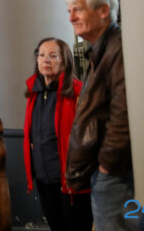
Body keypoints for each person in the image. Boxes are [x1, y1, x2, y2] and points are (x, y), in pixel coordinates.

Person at [65, 0, 132, 230]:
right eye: (69, 11)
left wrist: (107, 165)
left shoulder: (118, 47)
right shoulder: (101, 50)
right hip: (104, 170)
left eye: (78, 9)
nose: (71, 17)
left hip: (115, 172)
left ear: (103, 11)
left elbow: (123, 112)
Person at [23, 37, 92, 231]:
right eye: (42, 55)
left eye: (53, 56)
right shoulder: (34, 94)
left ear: (65, 61)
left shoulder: (77, 91)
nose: (46, 60)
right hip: (44, 179)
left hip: (72, 182)